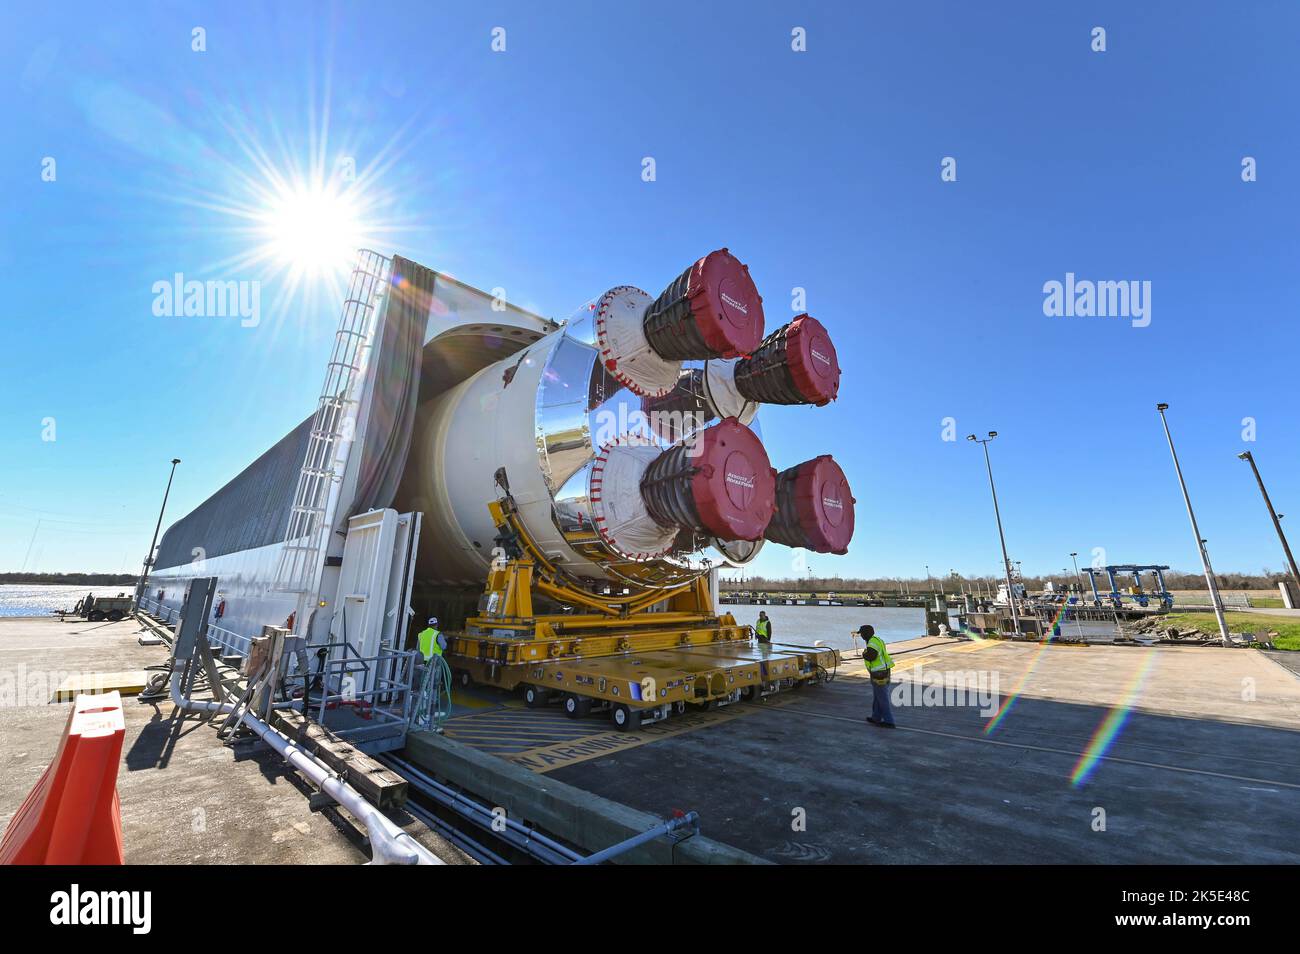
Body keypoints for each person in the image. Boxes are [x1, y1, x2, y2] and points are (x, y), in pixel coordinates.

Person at [857, 624, 896, 728]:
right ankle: (876, 717)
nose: (861, 636)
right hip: (884, 671)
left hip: (879, 674)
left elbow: (871, 656)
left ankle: (889, 721)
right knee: (878, 696)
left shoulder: (871, 644)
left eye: (861, 634)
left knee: (882, 698)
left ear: (865, 634)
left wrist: (864, 654)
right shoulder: (877, 640)